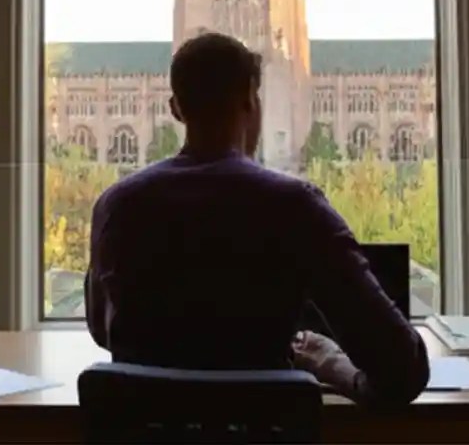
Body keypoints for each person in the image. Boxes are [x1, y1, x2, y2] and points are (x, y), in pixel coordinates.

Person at [85, 32, 429, 405]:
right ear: (251, 99)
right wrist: (329, 364)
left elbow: (104, 331)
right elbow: (402, 368)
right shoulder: (297, 207)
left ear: (175, 108)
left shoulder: (117, 207)